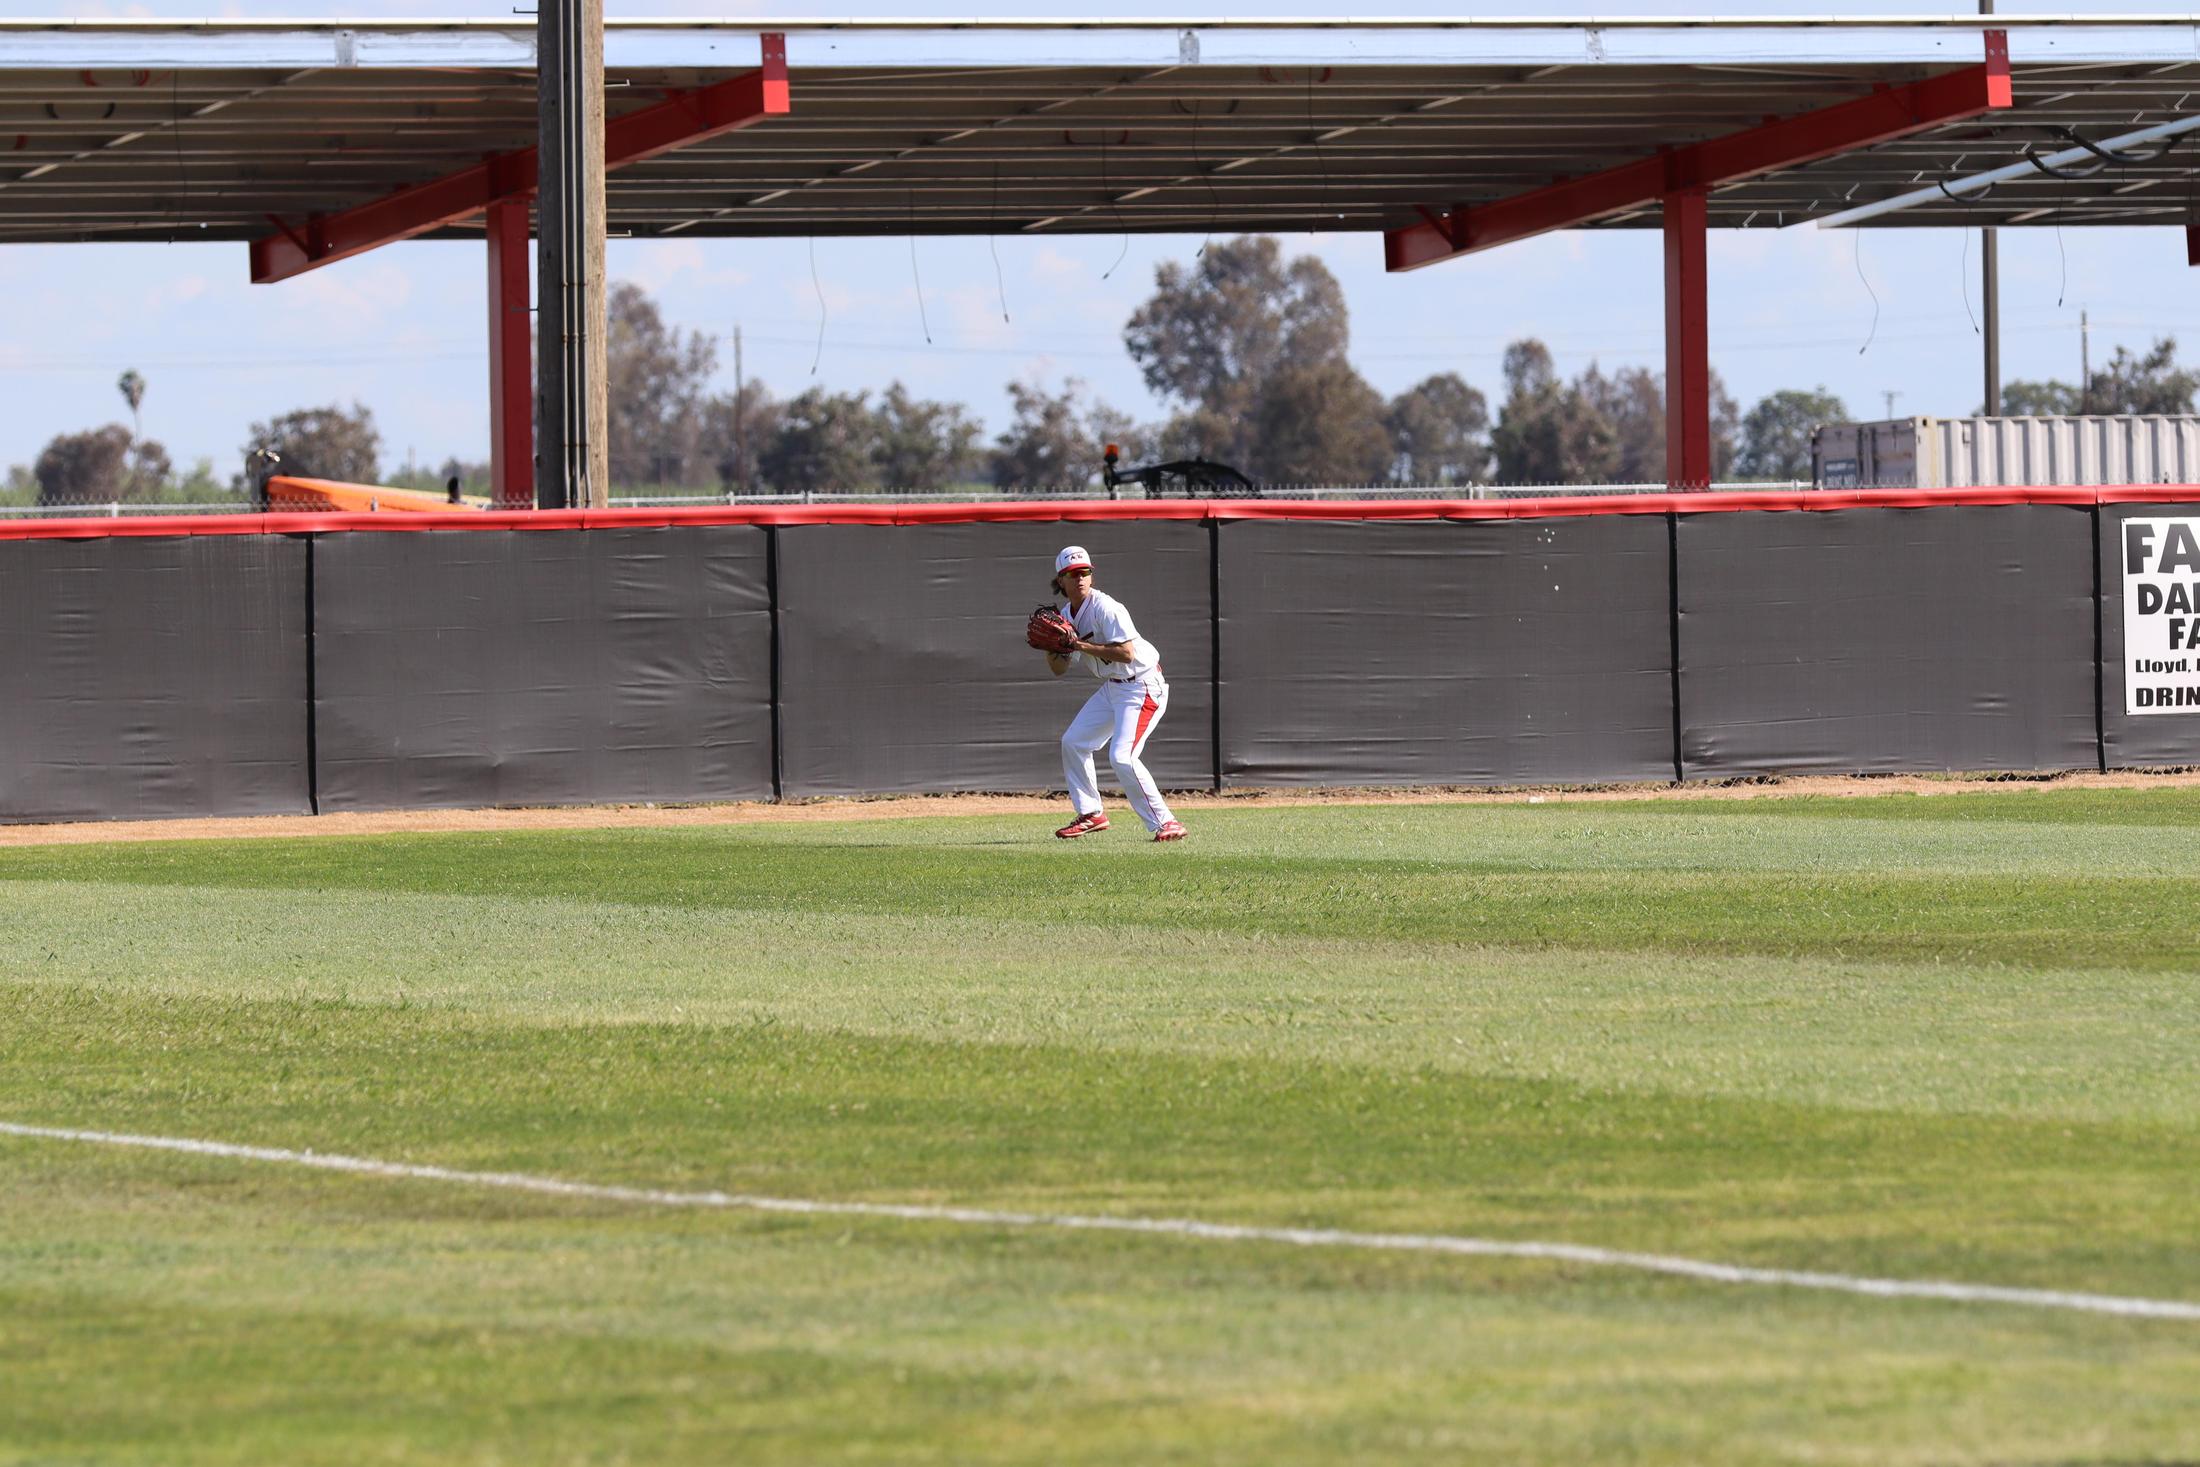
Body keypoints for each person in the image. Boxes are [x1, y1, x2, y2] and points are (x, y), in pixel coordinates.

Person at [1040, 545, 1187, 842]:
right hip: (1113, 689)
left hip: (1142, 684)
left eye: (1085, 572)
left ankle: (1166, 822)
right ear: (1061, 581)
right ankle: (1091, 813)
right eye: (1072, 574)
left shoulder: (1106, 608)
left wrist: (1077, 645)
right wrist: (1054, 648)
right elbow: (1058, 669)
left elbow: (1126, 653)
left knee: (1123, 757)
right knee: (1074, 742)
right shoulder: (1066, 616)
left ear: (1091, 576)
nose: (1080, 578)